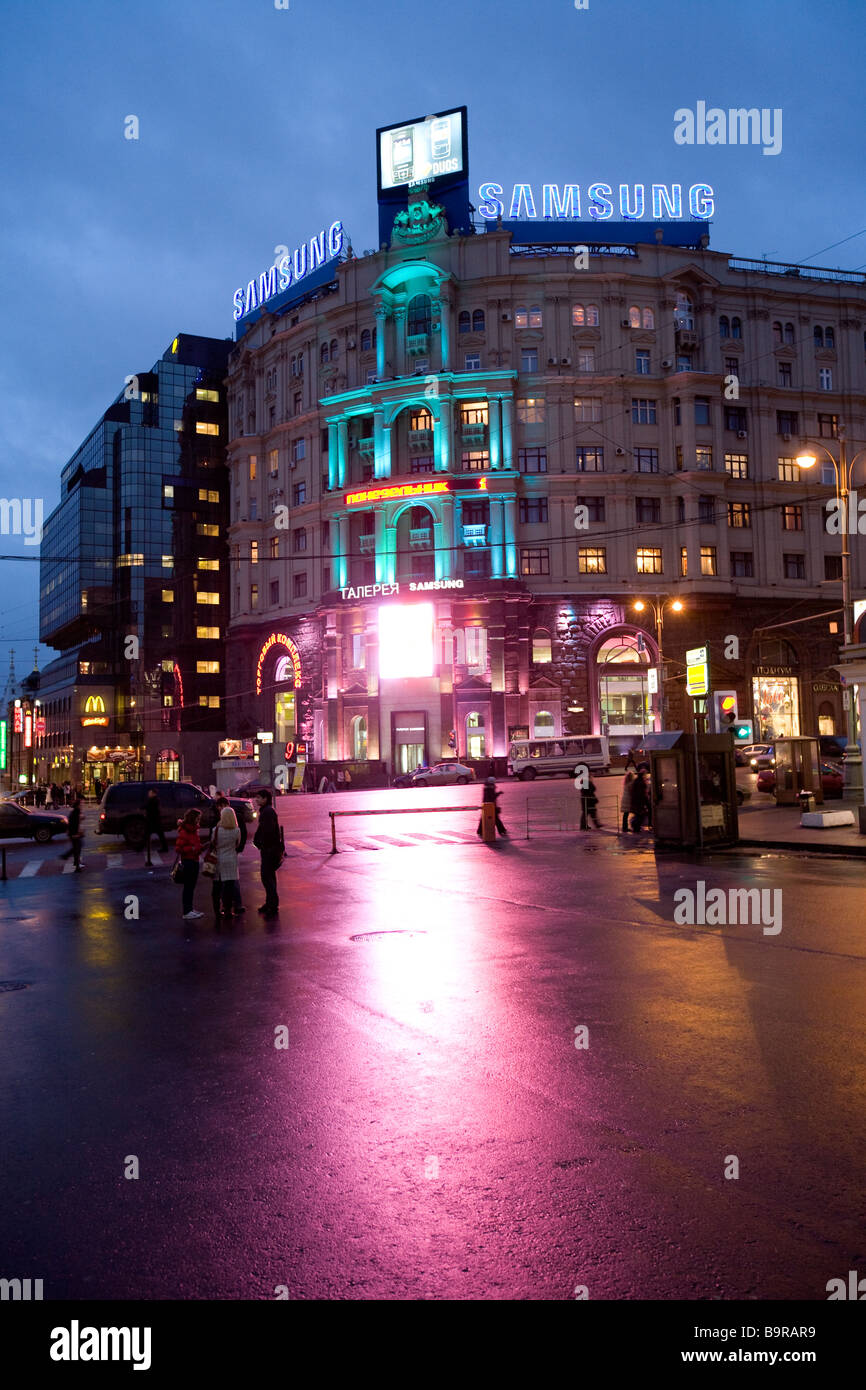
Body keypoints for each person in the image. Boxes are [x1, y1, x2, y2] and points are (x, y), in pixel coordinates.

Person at [210, 796, 246, 917]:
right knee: (230, 886)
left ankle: (218, 909)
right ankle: (229, 908)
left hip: (219, 859)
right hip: (231, 859)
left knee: (219, 886)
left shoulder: (216, 830)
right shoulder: (236, 831)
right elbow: (237, 844)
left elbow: (213, 843)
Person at [253, 789, 282, 918]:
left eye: (258, 797)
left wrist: (261, 844)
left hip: (269, 850)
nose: (256, 800)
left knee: (267, 878)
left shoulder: (268, 812)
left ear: (265, 799)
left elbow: (268, 832)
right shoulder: (267, 811)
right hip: (269, 849)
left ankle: (272, 905)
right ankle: (270, 903)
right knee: (269, 877)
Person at [175, 808, 207, 919]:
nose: (199, 820)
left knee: (191, 886)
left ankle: (189, 909)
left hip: (194, 860)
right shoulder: (185, 831)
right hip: (188, 861)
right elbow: (178, 848)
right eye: (198, 818)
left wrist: (201, 847)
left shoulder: (193, 830)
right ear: (193, 818)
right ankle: (186, 911)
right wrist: (192, 848)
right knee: (188, 886)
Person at [144, 787, 167, 866]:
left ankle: (143, 847)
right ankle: (164, 847)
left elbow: (150, 808)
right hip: (154, 820)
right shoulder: (155, 800)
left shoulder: (154, 800)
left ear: (153, 793)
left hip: (154, 820)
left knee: (153, 833)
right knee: (159, 833)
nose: (148, 794)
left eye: (150, 793)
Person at [61, 794, 85, 871]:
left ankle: (72, 860)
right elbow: (75, 823)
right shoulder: (76, 812)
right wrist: (76, 834)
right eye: (81, 804)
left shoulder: (76, 811)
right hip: (74, 833)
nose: (82, 805)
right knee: (77, 848)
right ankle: (76, 865)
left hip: (74, 833)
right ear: (78, 805)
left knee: (77, 847)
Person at [630, 765, 652, 833]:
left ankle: (636, 828)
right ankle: (635, 827)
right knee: (641, 815)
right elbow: (642, 793)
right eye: (645, 774)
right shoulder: (641, 782)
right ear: (643, 774)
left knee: (639, 815)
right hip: (640, 801)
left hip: (636, 801)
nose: (645, 776)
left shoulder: (637, 780)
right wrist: (646, 801)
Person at [620, 769, 637, 834]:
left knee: (625, 814)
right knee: (634, 812)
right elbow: (632, 792)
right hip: (628, 800)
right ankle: (630, 826)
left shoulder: (626, 783)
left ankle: (625, 827)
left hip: (624, 800)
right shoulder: (631, 784)